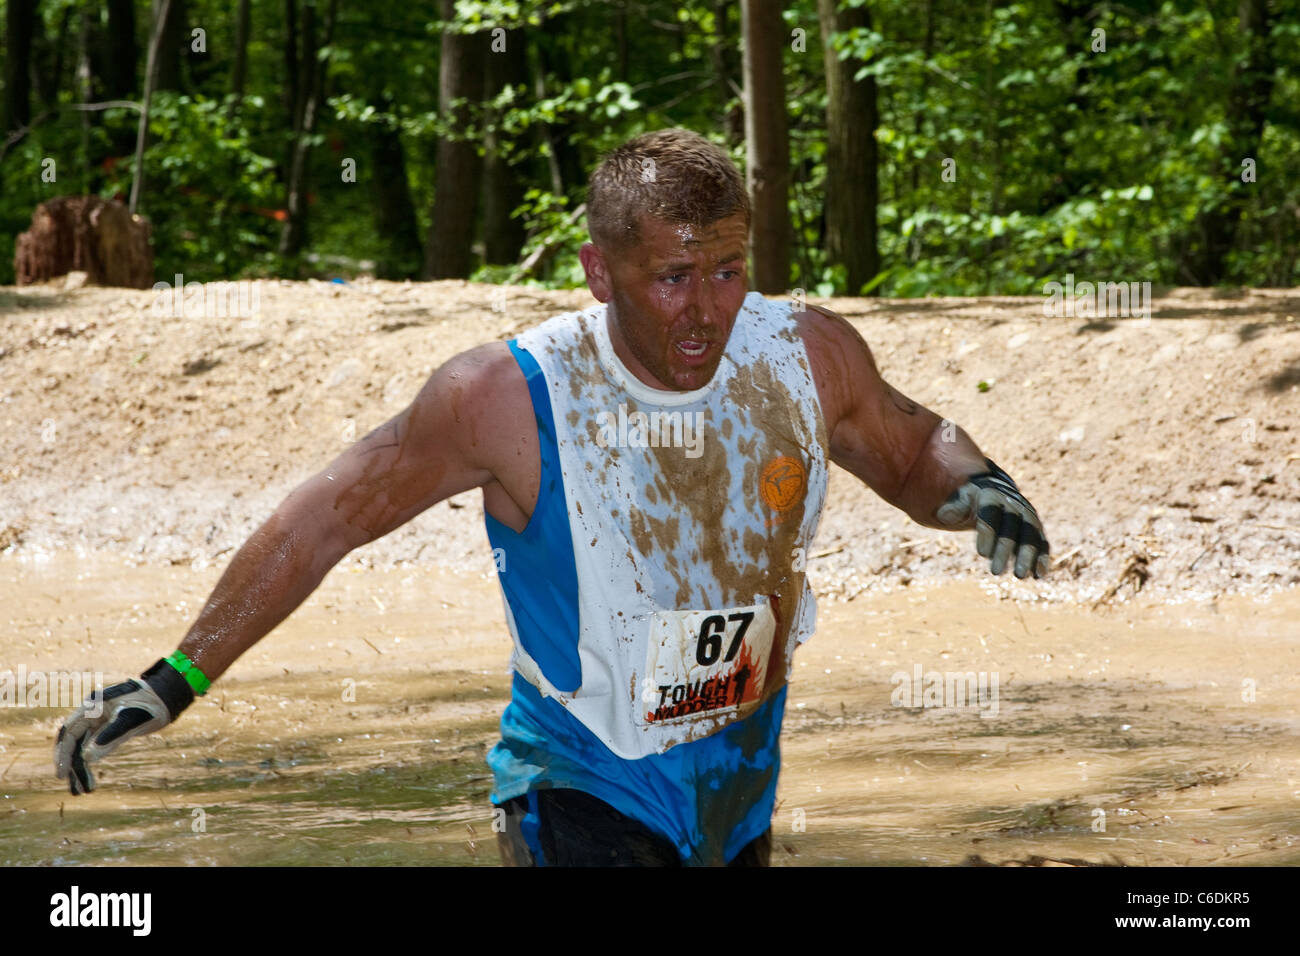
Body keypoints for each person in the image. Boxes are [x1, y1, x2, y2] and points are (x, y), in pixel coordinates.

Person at [54, 128, 1050, 866]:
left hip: (738, 790)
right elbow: (327, 517)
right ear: (596, 271)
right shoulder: (505, 395)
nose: (705, 306)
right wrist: (176, 673)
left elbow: (913, 445)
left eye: (728, 268)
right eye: (670, 276)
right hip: (580, 783)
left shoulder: (804, 351)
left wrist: (983, 485)